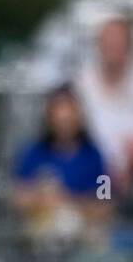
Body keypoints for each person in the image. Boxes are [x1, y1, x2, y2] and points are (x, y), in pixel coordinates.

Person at [11, 86, 111, 249]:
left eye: (69, 117)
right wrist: (41, 198)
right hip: (39, 242)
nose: (64, 123)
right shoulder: (34, 153)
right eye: (59, 117)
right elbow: (17, 197)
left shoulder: (94, 157)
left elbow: (104, 204)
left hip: (82, 239)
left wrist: (67, 201)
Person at [74, 15, 133, 190]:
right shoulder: (82, 82)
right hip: (94, 173)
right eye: (108, 43)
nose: (113, 49)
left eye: (119, 43)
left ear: (130, 46)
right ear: (98, 45)